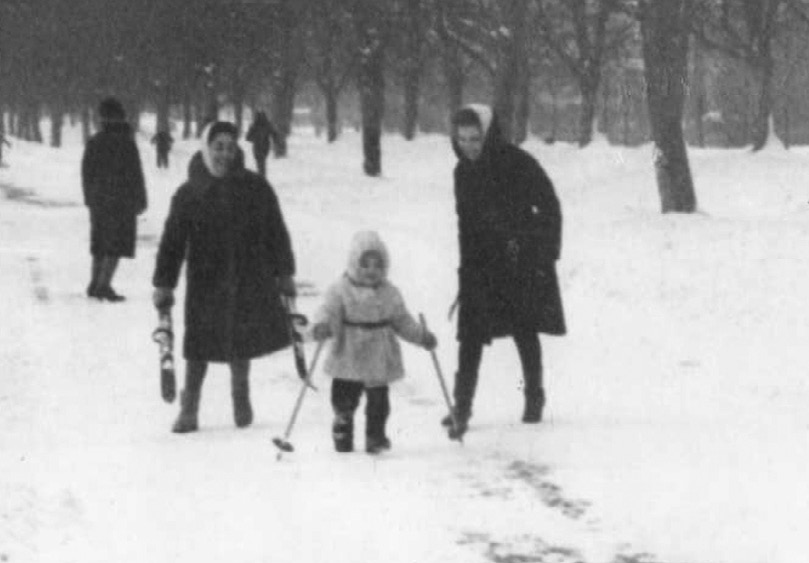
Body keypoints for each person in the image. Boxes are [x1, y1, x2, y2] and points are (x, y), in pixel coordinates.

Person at [152, 120, 297, 434]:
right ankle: (189, 409)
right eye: (218, 147)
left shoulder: (255, 188)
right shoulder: (189, 194)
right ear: (206, 148)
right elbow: (172, 242)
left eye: (231, 148)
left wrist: (284, 273)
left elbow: (276, 232)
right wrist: (164, 283)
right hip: (205, 279)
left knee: (240, 341)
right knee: (198, 344)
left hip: (246, 275)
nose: (225, 154)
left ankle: (240, 399)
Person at [445, 104, 565, 439]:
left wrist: (541, 250)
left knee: (524, 329)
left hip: (517, 261)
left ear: (488, 134)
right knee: (469, 335)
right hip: (480, 263)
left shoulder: (516, 162)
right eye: (463, 139)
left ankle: (534, 397)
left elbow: (550, 204)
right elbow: (465, 225)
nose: (469, 145)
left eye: (475, 138)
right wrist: (465, 269)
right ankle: (462, 407)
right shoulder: (462, 172)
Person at [311, 230, 436, 454]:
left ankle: (375, 436)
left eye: (377, 265)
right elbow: (327, 312)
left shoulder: (390, 293)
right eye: (365, 264)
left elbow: (402, 321)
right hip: (349, 350)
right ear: (353, 263)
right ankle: (343, 424)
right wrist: (321, 326)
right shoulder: (340, 289)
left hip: (379, 352)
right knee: (344, 394)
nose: (372, 271)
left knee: (379, 400)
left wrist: (421, 336)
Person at [81, 98, 148, 302]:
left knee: (100, 243)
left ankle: (94, 283)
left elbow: (86, 172)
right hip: (122, 201)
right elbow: (135, 173)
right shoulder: (126, 142)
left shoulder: (95, 141)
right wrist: (140, 198)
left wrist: (90, 197)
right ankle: (104, 284)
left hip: (99, 201)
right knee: (117, 244)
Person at [245, 110, 277, 178]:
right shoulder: (267, 124)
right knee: (262, 162)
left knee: (260, 162)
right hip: (265, 146)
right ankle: (262, 176)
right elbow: (274, 134)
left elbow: (248, 138)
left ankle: (261, 176)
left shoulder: (254, 125)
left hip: (257, 146)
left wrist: (254, 138)